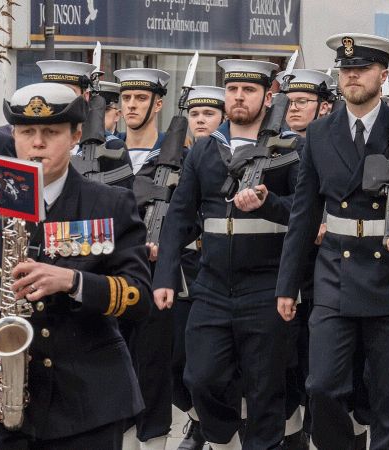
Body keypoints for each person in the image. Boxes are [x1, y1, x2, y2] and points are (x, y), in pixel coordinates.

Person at [274, 33, 389, 450]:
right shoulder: (318, 133)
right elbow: (303, 215)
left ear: (383, 76)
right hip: (336, 272)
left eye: (361, 69)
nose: (352, 77)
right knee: (322, 387)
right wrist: (288, 284)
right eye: (346, 70)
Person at [0, 82, 152, 449]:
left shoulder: (110, 203)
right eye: (27, 132)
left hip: (86, 401)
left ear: (76, 135)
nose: (37, 143)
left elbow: (139, 297)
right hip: (2, 402)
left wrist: (73, 280)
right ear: (13, 135)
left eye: (51, 132)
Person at [153, 58, 299, 450]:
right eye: (233, 89)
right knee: (200, 377)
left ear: (268, 96)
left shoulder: (289, 149)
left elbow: (304, 214)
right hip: (213, 286)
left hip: (266, 286)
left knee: (266, 388)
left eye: (248, 90)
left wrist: (268, 203)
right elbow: (180, 217)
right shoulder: (204, 150)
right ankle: (223, 440)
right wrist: (165, 274)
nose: (238, 97)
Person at [113, 67, 174, 450]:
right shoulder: (103, 153)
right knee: (113, 369)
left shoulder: (176, 154)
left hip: (156, 278)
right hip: (112, 277)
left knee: (152, 372)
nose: (132, 105)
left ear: (158, 104)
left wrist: (164, 245)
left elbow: (190, 216)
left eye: (140, 98)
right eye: (127, 98)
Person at [277, 68, 336, 449]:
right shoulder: (275, 149)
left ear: (325, 106)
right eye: (289, 101)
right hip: (284, 268)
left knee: (321, 368)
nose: (293, 108)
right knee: (288, 364)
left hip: (327, 270)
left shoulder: (334, 145)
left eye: (302, 102)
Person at [172, 83, 226, 450]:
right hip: (182, 268)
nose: (201, 120)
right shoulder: (172, 155)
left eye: (209, 113)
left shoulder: (221, 156)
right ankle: (196, 419)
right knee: (179, 361)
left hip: (214, 267)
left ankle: (214, 430)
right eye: (195, 114)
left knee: (212, 363)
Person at [280, 69, 335, 137]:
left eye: (302, 102)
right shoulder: (270, 145)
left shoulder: (336, 145)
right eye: (288, 102)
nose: (293, 108)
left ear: (323, 108)